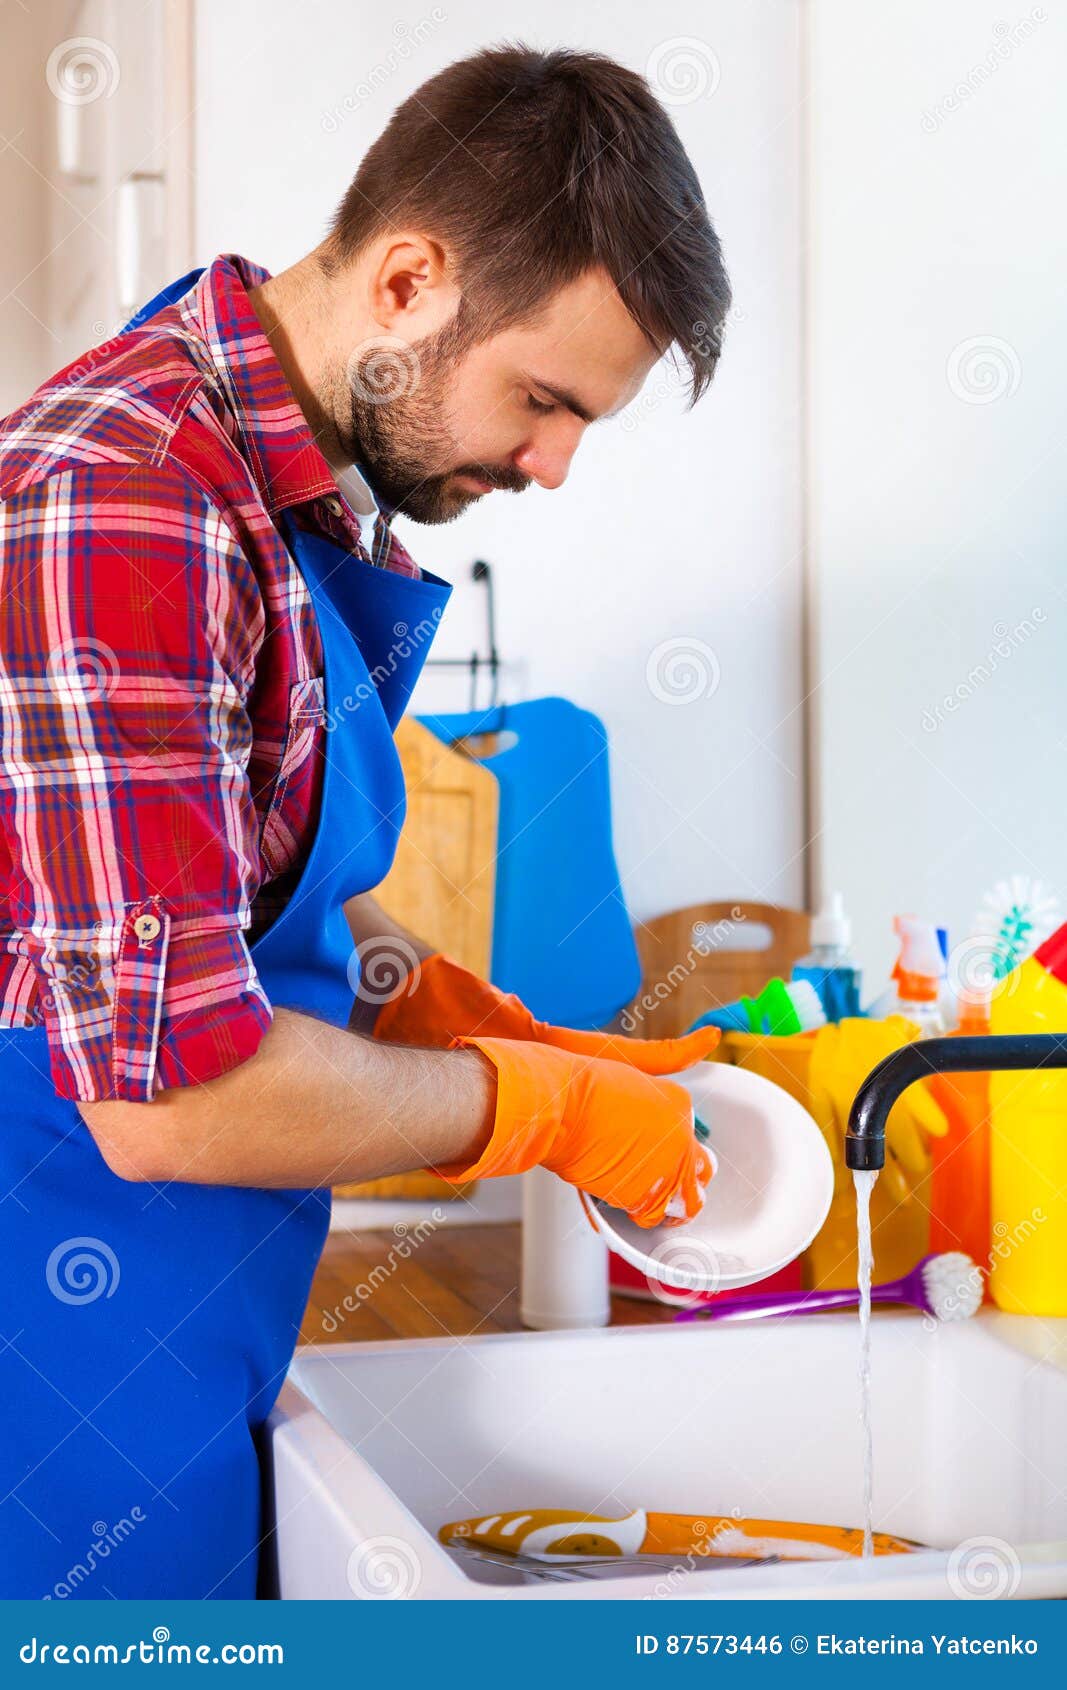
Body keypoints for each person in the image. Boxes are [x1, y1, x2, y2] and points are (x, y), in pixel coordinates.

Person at [0, 44, 731, 1598]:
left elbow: (232, 884)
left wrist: (453, 1005)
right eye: (544, 399)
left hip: (182, 1340)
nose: (554, 463)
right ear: (409, 281)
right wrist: (534, 1108)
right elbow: (169, 1096)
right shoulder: (124, 496)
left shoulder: (299, 497)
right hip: (52, 1385)